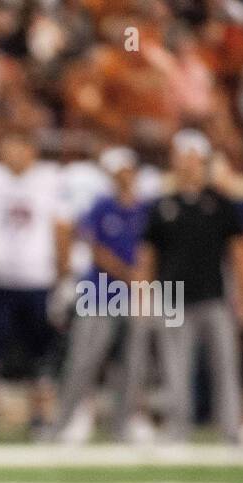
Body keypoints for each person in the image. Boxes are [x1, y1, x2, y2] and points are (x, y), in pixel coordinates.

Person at [137, 129, 243, 442]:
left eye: (192, 157)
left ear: (202, 161)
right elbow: (148, 254)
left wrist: (242, 292)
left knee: (225, 365)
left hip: (214, 293)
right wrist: (143, 294)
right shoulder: (162, 205)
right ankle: (177, 430)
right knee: (175, 368)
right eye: (181, 157)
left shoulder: (220, 202)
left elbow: (236, 250)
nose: (186, 164)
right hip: (172, 295)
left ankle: (231, 429)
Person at [0, 129, 72, 434]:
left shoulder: (50, 178)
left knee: (40, 355)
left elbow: (62, 228)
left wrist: (62, 275)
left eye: (17, 147)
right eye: (7, 148)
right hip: (0, 280)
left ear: (31, 151)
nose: (11, 154)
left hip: (37, 280)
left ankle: (41, 419)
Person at [50, 146, 149, 442]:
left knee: (133, 364)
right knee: (84, 359)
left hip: (135, 293)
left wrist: (142, 279)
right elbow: (94, 248)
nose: (124, 177)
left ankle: (124, 425)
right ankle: (64, 422)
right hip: (100, 291)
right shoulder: (101, 207)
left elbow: (150, 249)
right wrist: (128, 273)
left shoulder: (145, 209)